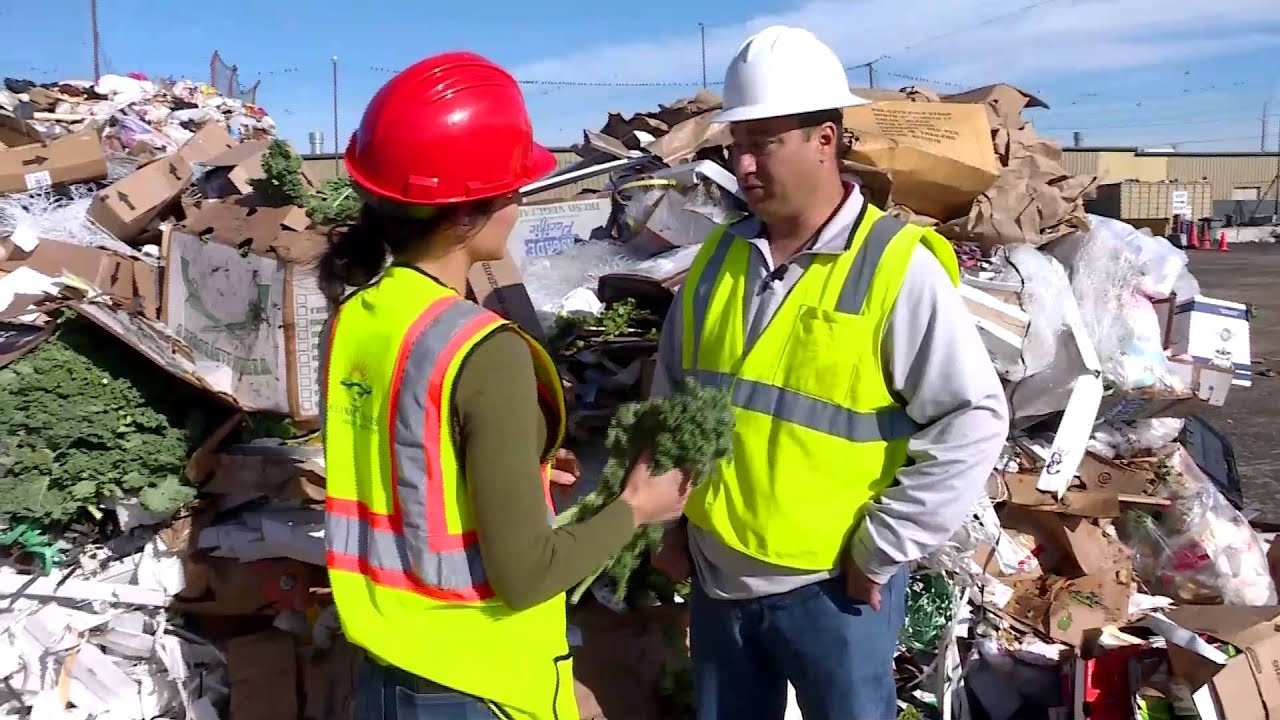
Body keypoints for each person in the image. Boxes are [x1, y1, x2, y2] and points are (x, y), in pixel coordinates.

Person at [649, 26, 1011, 720]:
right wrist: (668, 525)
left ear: (824, 139)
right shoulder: (718, 260)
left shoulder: (893, 267)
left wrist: (881, 548)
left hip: (832, 589)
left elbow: (972, 417)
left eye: (765, 143)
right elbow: (673, 398)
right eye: (737, 145)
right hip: (718, 579)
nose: (745, 165)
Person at [318, 51, 690, 720]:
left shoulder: (356, 318)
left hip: (384, 669)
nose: (519, 203)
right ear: (466, 214)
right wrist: (636, 507)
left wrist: (516, 472)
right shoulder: (483, 353)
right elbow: (527, 574)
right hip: (474, 682)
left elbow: (407, 465)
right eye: (512, 187)